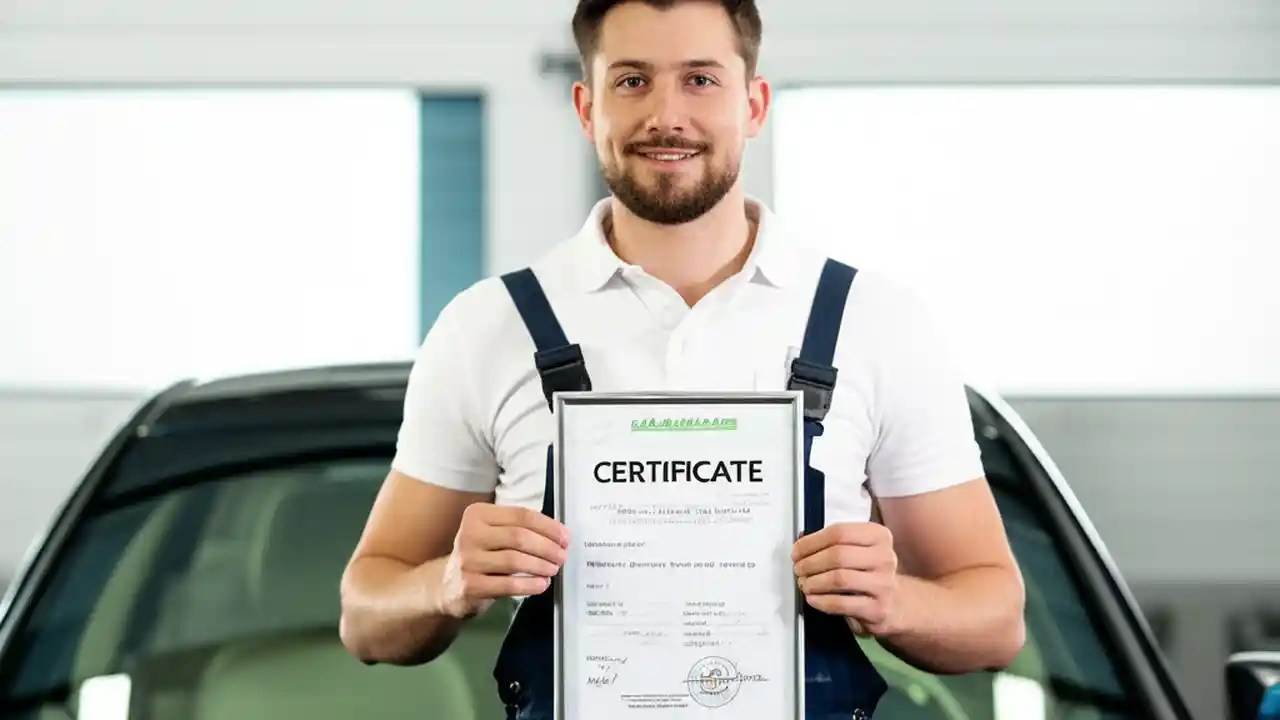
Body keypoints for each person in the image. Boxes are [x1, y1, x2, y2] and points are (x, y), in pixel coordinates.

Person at [339, 0, 1026, 716]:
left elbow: (996, 620)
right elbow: (366, 615)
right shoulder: (487, 326)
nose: (666, 116)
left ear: (754, 103)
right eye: (632, 81)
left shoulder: (874, 323)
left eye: (700, 79)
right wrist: (448, 582)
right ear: (586, 106)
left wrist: (896, 603)